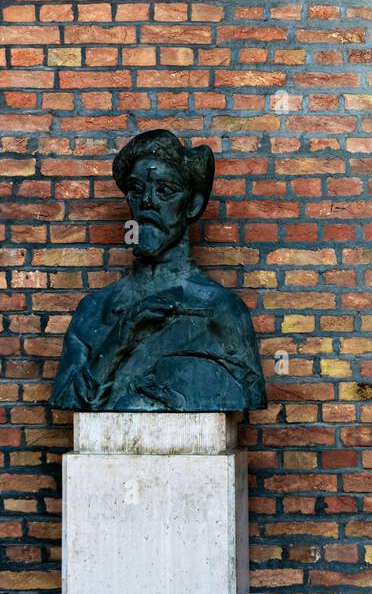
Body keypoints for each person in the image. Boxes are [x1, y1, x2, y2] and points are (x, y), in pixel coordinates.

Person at [50, 130, 266, 412]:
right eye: (137, 190)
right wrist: (120, 337)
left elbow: (247, 394)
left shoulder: (223, 310)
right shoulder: (94, 310)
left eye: (164, 190)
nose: (148, 201)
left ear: (192, 206)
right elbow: (67, 397)